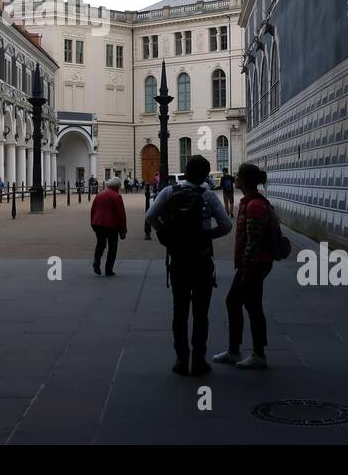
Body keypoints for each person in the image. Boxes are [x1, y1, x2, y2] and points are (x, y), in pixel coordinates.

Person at [145, 155, 232, 376]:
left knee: (180, 310)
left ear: (185, 170)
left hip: (179, 259)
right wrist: (207, 235)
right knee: (201, 313)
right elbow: (226, 225)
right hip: (201, 259)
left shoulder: (169, 192)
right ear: (205, 175)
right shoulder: (208, 195)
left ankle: (181, 359)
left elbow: (150, 215)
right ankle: (199, 359)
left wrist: (165, 232)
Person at [212, 163, 283, 370]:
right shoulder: (251, 202)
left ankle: (250, 353)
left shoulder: (254, 206)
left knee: (237, 302)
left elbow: (253, 241)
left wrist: (246, 270)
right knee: (250, 305)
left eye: (238, 175)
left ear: (244, 180)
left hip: (254, 264)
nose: (235, 178)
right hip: (254, 263)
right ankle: (245, 351)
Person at [90, 176, 128, 276]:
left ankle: (96, 261)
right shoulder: (116, 196)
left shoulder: (100, 194)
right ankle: (108, 269)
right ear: (118, 187)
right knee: (112, 247)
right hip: (111, 225)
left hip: (98, 223)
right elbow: (121, 215)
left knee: (100, 244)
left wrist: (93, 223)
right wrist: (123, 231)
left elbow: (93, 210)